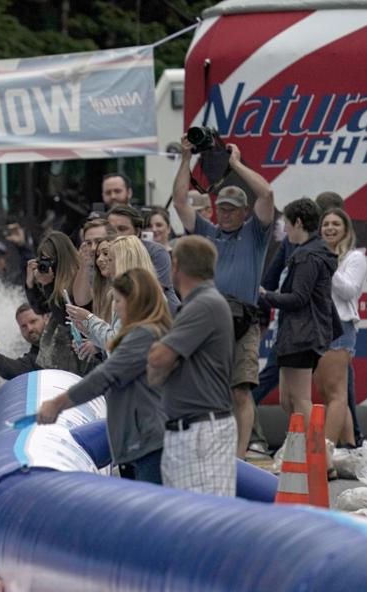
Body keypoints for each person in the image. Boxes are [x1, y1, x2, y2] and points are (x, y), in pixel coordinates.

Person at [173, 137, 274, 459]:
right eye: (222, 208)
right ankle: (213, 450)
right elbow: (179, 203)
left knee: (241, 390)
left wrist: (235, 165)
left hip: (245, 321)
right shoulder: (207, 231)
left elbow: (267, 193)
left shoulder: (255, 233)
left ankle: (239, 457)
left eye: (232, 209)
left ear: (245, 211)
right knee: (208, 391)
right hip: (210, 321)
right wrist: (185, 158)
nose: (226, 214)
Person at [38, 268, 172, 484]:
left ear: (135, 301)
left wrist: (56, 404)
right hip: (141, 439)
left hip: (152, 442)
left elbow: (104, 377)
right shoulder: (151, 332)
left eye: (118, 301)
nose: (116, 309)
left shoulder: (144, 335)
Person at [147, 236, 236, 497]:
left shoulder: (204, 304)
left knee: (205, 520)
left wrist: (157, 354)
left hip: (200, 432)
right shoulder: (199, 303)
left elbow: (156, 361)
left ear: (176, 266)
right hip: (190, 429)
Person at [260, 199, 340, 429]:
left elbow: (298, 298)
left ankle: (320, 459)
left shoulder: (307, 256)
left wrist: (266, 294)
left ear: (298, 222)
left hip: (302, 335)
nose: (284, 229)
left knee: (301, 400)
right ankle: (300, 452)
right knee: (287, 400)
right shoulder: (308, 252)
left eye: (286, 223)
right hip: (295, 334)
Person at [316, 208, 367, 450]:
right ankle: (349, 446)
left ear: (346, 229)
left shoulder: (355, 257)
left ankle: (325, 453)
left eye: (336, 224)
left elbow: (348, 291)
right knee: (329, 395)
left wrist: (329, 266)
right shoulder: (316, 253)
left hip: (340, 328)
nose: (330, 228)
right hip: (317, 327)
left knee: (336, 395)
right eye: (326, 224)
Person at [66, 236, 155, 357]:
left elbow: (117, 342)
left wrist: (89, 319)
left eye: (110, 259)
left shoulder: (134, 294)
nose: (104, 262)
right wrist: (88, 330)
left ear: (124, 260)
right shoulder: (142, 289)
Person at [24, 231, 90, 373]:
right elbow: (40, 308)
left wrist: (48, 285)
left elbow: (65, 319)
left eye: (50, 260)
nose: (47, 265)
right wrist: (31, 285)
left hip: (81, 352)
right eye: (43, 259)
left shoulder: (78, 277)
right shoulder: (53, 279)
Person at [105, 205, 179, 314]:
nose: (116, 235)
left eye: (122, 229)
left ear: (137, 231)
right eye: (111, 230)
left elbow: (152, 296)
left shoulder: (156, 252)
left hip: (164, 319)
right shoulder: (102, 254)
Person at [0, 303, 47, 379]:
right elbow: (13, 369)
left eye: (33, 321)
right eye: (23, 326)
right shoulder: (33, 361)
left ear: (45, 318)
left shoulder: (63, 331)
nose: (29, 329)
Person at [71, 219, 116, 314]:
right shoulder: (91, 266)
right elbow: (81, 300)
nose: (93, 248)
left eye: (98, 241)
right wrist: (83, 265)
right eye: (88, 243)